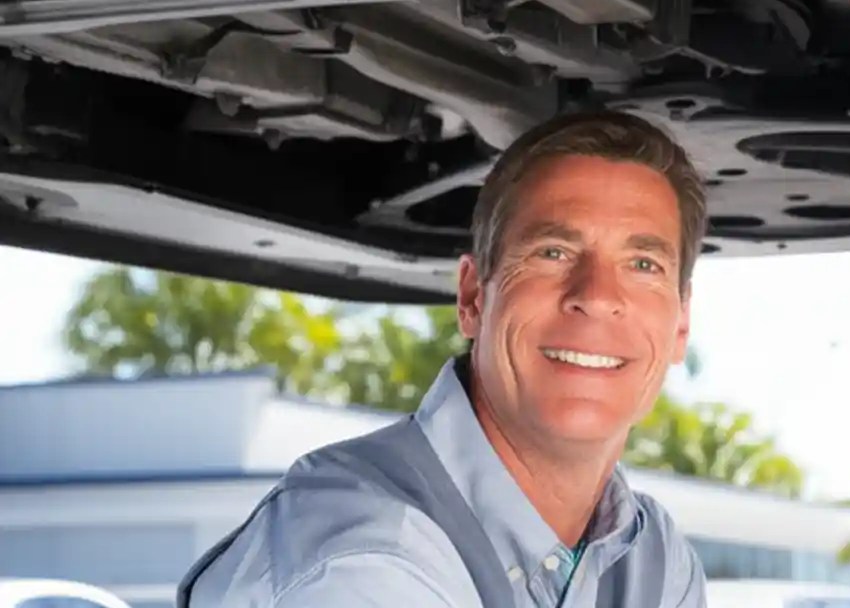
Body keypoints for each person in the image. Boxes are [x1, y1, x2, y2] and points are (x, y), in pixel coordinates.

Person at [178, 111, 710, 607]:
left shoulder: (653, 557)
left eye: (643, 264)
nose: (596, 295)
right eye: (553, 253)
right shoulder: (363, 560)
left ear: (681, 322)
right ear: (473, 297)